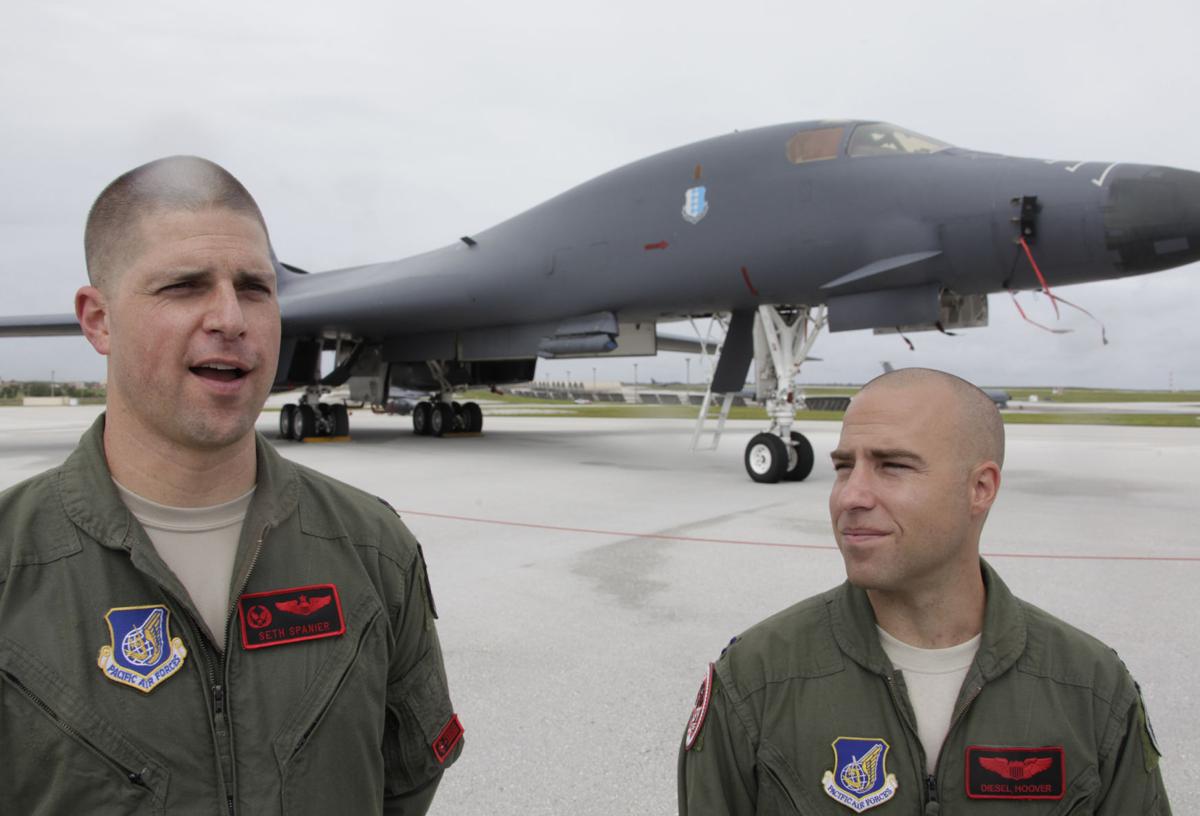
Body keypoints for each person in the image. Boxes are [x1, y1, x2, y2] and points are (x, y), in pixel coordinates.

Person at [0, 156, 463, 815]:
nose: (230, 318)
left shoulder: (372, 550)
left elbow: (404, 785)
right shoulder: (12, 567)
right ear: (98, 319)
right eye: (184, 286)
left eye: (255, 288)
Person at [677, 368, 1170, 814]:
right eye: (844, 466)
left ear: (980, 488)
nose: (851, 495)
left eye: (893, 466)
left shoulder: (1091, 691)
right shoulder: (755, 681)